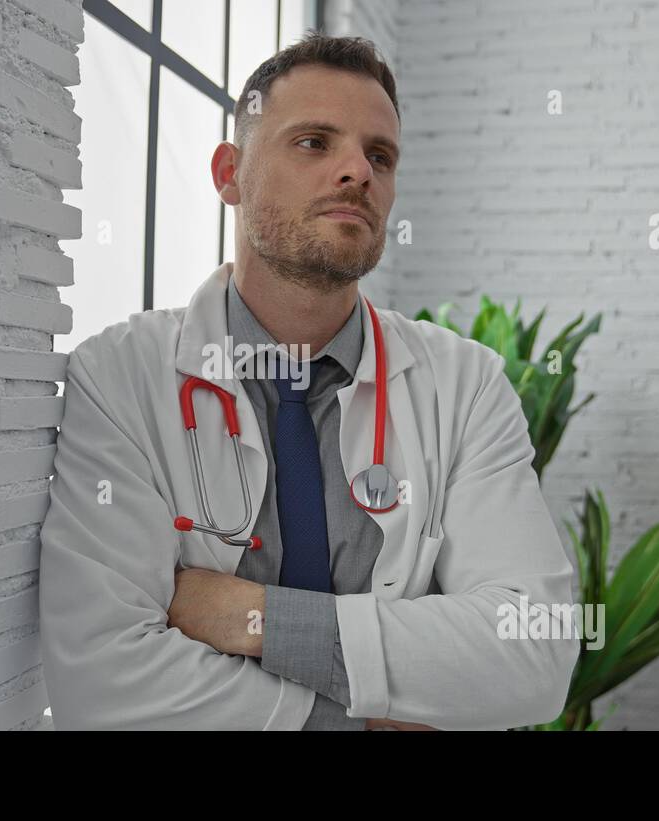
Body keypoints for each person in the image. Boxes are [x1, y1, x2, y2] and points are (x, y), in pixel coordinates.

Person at [38, 33, 579, 730]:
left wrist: (250, 617)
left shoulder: (465, 384)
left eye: (379, 156)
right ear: (229, 172)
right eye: (314, 142)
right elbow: (104, 682)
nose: (357, 170)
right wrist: (359, 716)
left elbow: (533, 649)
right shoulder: (121, 375)